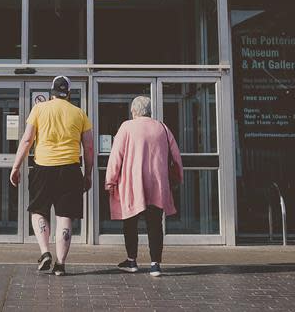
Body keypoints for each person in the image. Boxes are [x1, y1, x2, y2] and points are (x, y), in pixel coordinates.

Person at [10, 75, 94, 276]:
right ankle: (61, 264)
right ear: (69, 93)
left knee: (38, 210)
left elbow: (27, 140)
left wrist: (16, 167)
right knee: (64, 216)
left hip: (43, 167)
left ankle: (45, 252)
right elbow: (89, 147)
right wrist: (88, 173)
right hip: (71, 169)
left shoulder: (39, 109)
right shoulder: (79, 113)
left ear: (51, 91)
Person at [104, 95, 183, 277]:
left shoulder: (126, 127)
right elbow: (176, 156)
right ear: (150, 111)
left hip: (132, 184)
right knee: (155, 223)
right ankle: (155, 264)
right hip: (157, 183)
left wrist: (110, 180)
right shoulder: (162, 127)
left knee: (130, 222)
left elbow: (116, 156)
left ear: (134, 111)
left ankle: (132, 260)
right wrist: (176, 177)